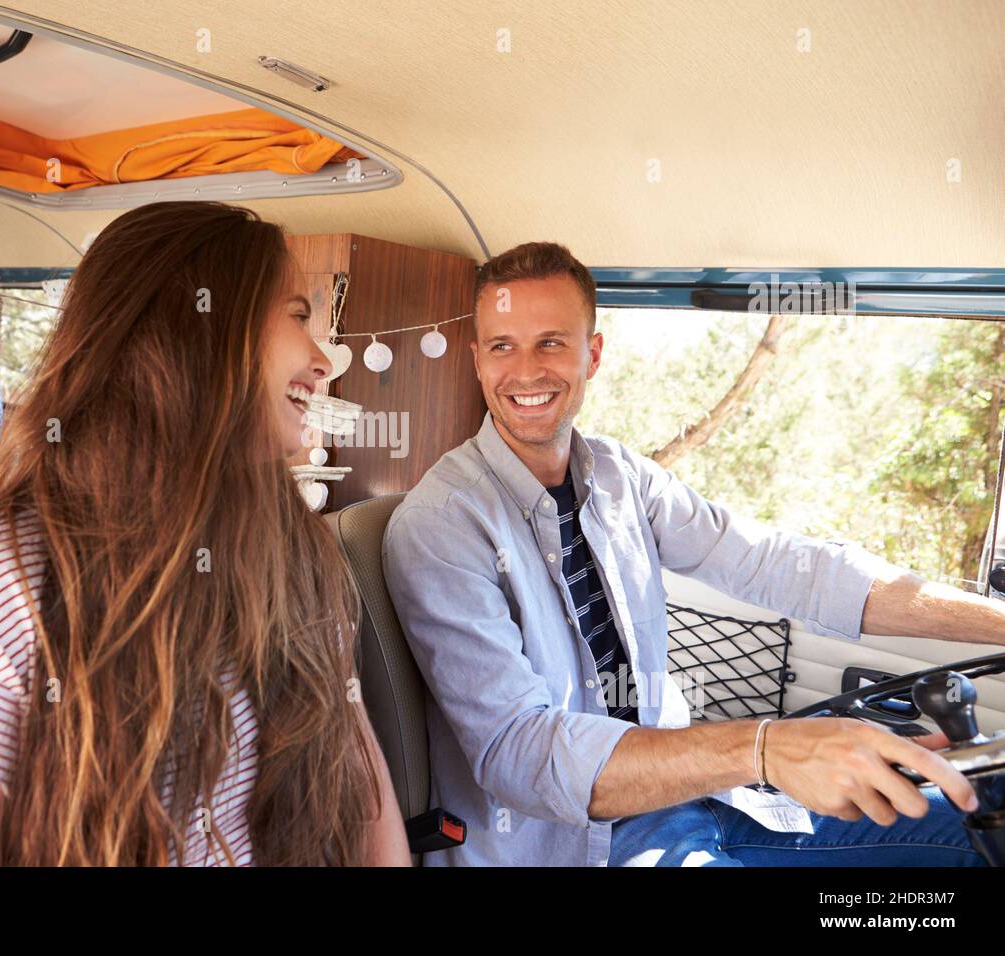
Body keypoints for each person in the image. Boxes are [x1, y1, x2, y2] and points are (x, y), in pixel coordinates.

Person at [382, 240, 1005, 866]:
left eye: (550, 342)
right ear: (477, 359)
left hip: (698, 798)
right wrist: (765, 749)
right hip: (578, 845)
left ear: (591, 354)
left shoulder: (623, 477)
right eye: (502, 346)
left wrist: (996, 620)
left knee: (977, 813)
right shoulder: (441, 525)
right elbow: (522, 754)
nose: (525, 371)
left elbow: (781, 566)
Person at [0, 201, 411, 867]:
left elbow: (362, 793)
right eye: (298, 316)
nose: (322, 360)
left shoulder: (301, 557)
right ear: (199, 328)